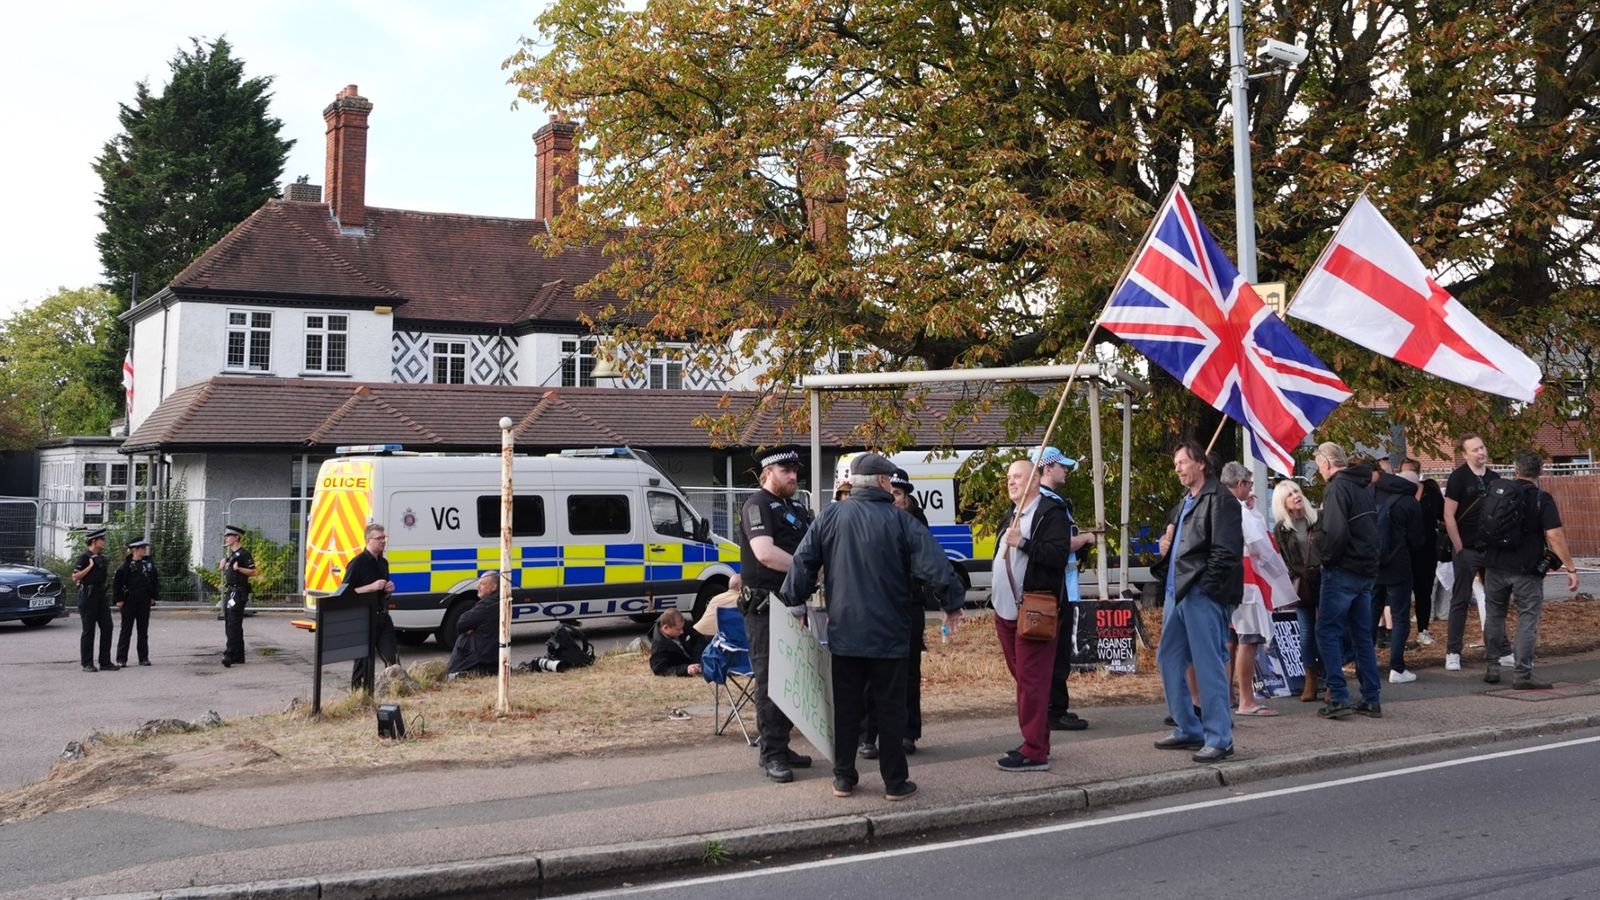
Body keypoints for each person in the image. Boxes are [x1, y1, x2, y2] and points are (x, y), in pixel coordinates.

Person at [780, 452, 966, 801]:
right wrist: (951, 603)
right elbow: (937, 566)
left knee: (847, 709)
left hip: (845, 633)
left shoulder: (831, 516)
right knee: (891, 710)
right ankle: (895, 783)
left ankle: (843, 778)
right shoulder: (901, 522)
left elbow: (803, 562)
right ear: (883, 481)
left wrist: (794, 603)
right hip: (890, 635)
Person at [1152, 442, 1242, 762]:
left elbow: (1226, 552)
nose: (1177, 468)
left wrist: (1205, 588)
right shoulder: (1184, 503)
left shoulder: (1221, 500)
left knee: (1207, 665)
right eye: (1175, 463)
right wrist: (1166, 547)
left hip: (1200, 593)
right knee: (1168, 658)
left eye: (1182, 462)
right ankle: (1189, 727)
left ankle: (1220, 737)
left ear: (1201, 463)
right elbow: (1182, 546)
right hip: (1177, 593)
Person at [989, 457, 1073, 772]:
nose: (1011, 482)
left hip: (1035, 611)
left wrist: (1022, 542)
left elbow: (1057, 555)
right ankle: (1037, 740)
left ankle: (1035, 751)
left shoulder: (1051, 514)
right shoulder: (1010, 515)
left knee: (1032, 682)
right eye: (1009, 477)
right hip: (1006, 612)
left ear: (1036, 479)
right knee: (1025, 680)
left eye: (1018, 476)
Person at [738, 445, 815, 783]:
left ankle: (782, 745)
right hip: (765, 606)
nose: (794, 476)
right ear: (768, 472)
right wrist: (809, 572)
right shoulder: (757, 505)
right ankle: (770, 754)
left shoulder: (796, 507)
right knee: (771, 681)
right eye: (786, 471)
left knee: (792, 679)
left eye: (795, 470)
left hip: (794, 604)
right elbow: (765, 554)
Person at [1481, 451, 1578, 689]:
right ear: (1541, 471)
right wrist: (1570, 568)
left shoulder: (1498, 493)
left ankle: (1492, 666)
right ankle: (1522, 673)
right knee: (1527, 618)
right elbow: (1554, 535)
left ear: (1516, 471)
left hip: (1495, 564)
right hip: (1526, 568)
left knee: (1494, 615)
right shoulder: (1541, 498)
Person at [858, 468, 933, 759]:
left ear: (907, 498)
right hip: (876, 607)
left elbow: (926, 563)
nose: (894, 499)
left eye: (899, 494)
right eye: (890, 493)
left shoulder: (915, 523)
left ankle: (908, 732)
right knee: (869, 674)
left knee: (908, 673)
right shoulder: (875, 521)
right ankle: (868, 734)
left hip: (908, 605)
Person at [1312, 442, 1381, 719]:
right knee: (1362, 635)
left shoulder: (1337, 488)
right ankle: (1371, 697)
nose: (1318, 471)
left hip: (1343, 569)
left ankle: (1338, 695)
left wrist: (1326, 557)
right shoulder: (1363, 487)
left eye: (1318, 465)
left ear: (1326, 464)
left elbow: (1336, 532)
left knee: (1327, 631)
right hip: (1365, 569)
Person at [1034, 447, 1096, 732]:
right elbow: (1060, 545)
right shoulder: (1047, 503)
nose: (1066, 470)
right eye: (1062, 466)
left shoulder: (1054, 501)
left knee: (1060, 653)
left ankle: (1056, 707)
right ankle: (1055, 711)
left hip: (1065, 588)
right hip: (1057, 591)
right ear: (1048, 468)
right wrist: (1084, 539)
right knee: (1057, 654)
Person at [1443, 432, 1509, 671]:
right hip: (1467, 549)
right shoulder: (1458, 478)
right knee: (1460, 600)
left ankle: (1501, 648)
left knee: (1496, 600)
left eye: (1482, 447)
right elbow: (1449, 514)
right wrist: (1458, 544)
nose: (1481, 452)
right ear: (1465, 454)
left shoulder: (1495, 477)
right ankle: (1453, 651)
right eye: (1475, 450)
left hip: (1491, 549)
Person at [1219, 462, 1276, 716]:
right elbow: (1257, 542)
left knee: (1231, 639)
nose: (1251, 489)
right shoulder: (1238, 509)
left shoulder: (1215, 503)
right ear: (1240, 484)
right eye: (1249, 484)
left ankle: (1227, 695)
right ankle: (1246, 699)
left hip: (1225, 577)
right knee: (1248, 639)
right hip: (1246, 577)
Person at [1372, 464, 1426, 684]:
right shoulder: (1410, 503)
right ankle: (1397, 667)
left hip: (1373, 564)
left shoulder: (1376, 495)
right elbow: (1417, 540)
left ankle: (1365, 661)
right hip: (1399, 566)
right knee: (1401, 616)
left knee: (1370, 613)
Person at [1272, 479, 1323, 702]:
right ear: (1283, 503)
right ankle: (1310, 677)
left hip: (1323, 577)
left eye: (1297, 491)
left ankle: (1332, 678)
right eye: (1290, 494)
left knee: (1326, 631)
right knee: (1305, 634)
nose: (1296, 495)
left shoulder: (1317, 519)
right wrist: (1293, 576)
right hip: (1301, 583)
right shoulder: (1281, 529)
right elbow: (1283, 557)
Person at [343, 523, 398, 689]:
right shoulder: (357, 563)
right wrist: (371, 587)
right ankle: (359, 695)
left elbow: (383, 594)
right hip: (363, 617)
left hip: (382, 616)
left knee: (392, 658)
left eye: (384, 538)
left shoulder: (383, 563)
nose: (383, 541)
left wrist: (387, 591)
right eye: (379, 538)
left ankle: (393, 690)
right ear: (368, 540)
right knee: (363, 661)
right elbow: (345, 593)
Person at [71, 527, 117, 672]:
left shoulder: (102, 557)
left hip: (100, 595)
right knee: (89, 629)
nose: (105, 542)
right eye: (102, 539)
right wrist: (90, 566)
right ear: (94, 541)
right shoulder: (85, 557)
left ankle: (105, 661)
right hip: (88, 595)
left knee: (107, 626)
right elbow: (75, 577)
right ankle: (87, 663)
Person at [113, 537, 160, 667]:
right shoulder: (125, 566)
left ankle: (143, 657)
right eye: (141, 548)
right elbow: (117, 584)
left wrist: (153, 596)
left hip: (144, 599)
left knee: (143, 630)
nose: (144, 550)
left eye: (144, 548)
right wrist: (119, 599)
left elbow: (154, 580)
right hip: (129, 600)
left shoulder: (148, 564)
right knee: (126, 630)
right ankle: (121, 659)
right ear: (134, 550)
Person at [446, 571, 502, 679]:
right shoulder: (498, 601)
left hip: (480, 660)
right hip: (490, 657)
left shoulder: (488, 605)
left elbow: (462, 623)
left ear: (494, 587)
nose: (478, 586)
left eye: (483, 584)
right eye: (479, 583)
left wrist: (470, 627)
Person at [219, 524, 258, 668]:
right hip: (231, 591)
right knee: (231, 622)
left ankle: (229, 654)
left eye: (228, 536)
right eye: (226, 536)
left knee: (233, 623)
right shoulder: (230, 555)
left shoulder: (244, 554)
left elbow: (253, 572)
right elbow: (229, 573)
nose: (226, 538)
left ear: (236, 538)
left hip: (239, 591)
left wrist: (239, 568)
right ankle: (239, 655)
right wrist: (223, 567)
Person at [1414, 471, 1446, 645]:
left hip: (1426, 548)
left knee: (1424, 591)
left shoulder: (1431, 493)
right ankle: (1388, 633)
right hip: (1403, 551)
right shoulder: (1399, 493)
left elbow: (1443, 517)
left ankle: (1423, 629)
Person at [649, 608, 708, 677]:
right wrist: (686, 669)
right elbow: (660, 669)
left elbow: (698, 637)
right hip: (684, 665)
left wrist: (697, 660)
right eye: (678, 629)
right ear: (666, 628)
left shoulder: (681, 625)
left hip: (698, 658)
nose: (682, 631)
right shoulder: (658, 647)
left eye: (682, 628)